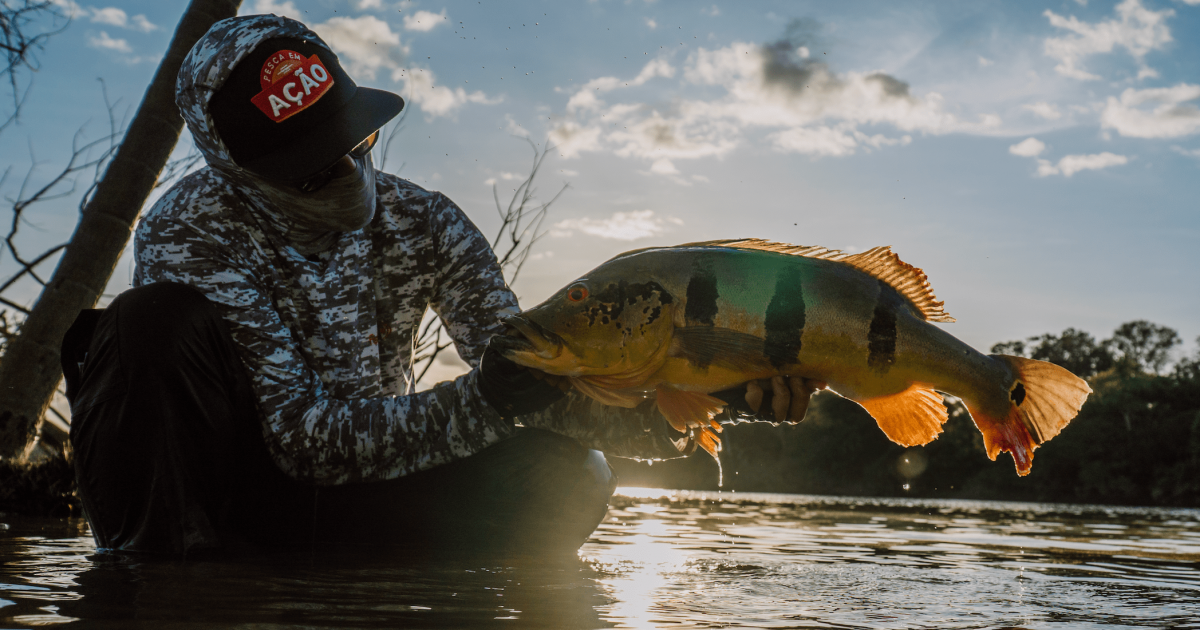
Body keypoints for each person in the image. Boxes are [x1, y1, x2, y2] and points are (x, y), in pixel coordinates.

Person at [62, 14, 818, 558]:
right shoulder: (189, 228)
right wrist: (487, 398)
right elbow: (301, 440)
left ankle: (363, 586)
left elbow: (540, 380)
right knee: (141, 326)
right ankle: (163, 581)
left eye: (354, 141)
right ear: (236, 171)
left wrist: (682, 406)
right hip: (217, 492)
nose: (347, 171)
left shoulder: (428, 223)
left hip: (359, 493)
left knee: (568, 478)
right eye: (311, 163)